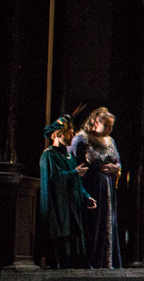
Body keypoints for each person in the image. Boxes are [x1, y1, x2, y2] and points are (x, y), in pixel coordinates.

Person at [71, 106, 124, 269]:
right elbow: (74, 162)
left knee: (108, 223)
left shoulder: (111, 141)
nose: (109, 129)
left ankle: (107, 261)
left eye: (111, 126)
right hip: (91, 186)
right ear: (95, 122)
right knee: (93, 224)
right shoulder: (82, 139)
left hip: (108, 188)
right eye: (106, 125)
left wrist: (116, 169)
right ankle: (89, 261)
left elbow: (118, 162)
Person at [37, 114, 93, 268]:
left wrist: (86, 196)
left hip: (73, 205)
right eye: (70, 132)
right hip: (59, 207)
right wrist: (75, 173)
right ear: (59, 134)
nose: (73, 135)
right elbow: (54, 178)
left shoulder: (69, 156)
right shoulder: (49, 155)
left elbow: (77, 182)